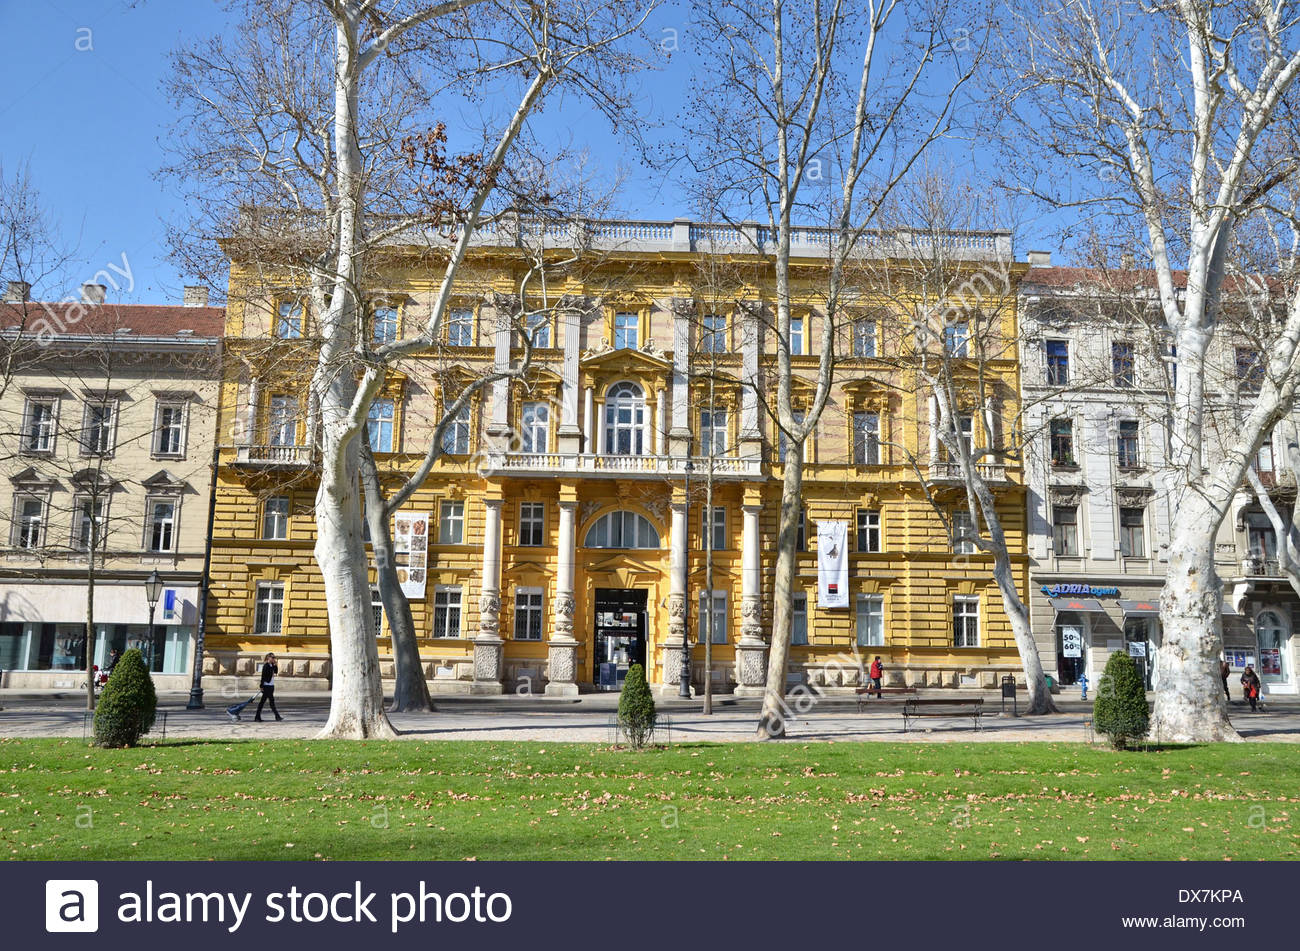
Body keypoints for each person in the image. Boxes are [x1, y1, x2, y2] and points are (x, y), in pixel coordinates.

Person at [255, 652, 283, 722]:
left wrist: (275, 665)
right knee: (268, 702)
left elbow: (276, 672)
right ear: (269, 658)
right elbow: (263, 676)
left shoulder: (272, 665)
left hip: (271, 686)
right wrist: (261, 686)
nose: (274, 659)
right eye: (273, 658)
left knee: (267, 702)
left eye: (274, 658)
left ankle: (257, 717)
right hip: (266, 686)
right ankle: (277, 716)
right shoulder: (266, 666)